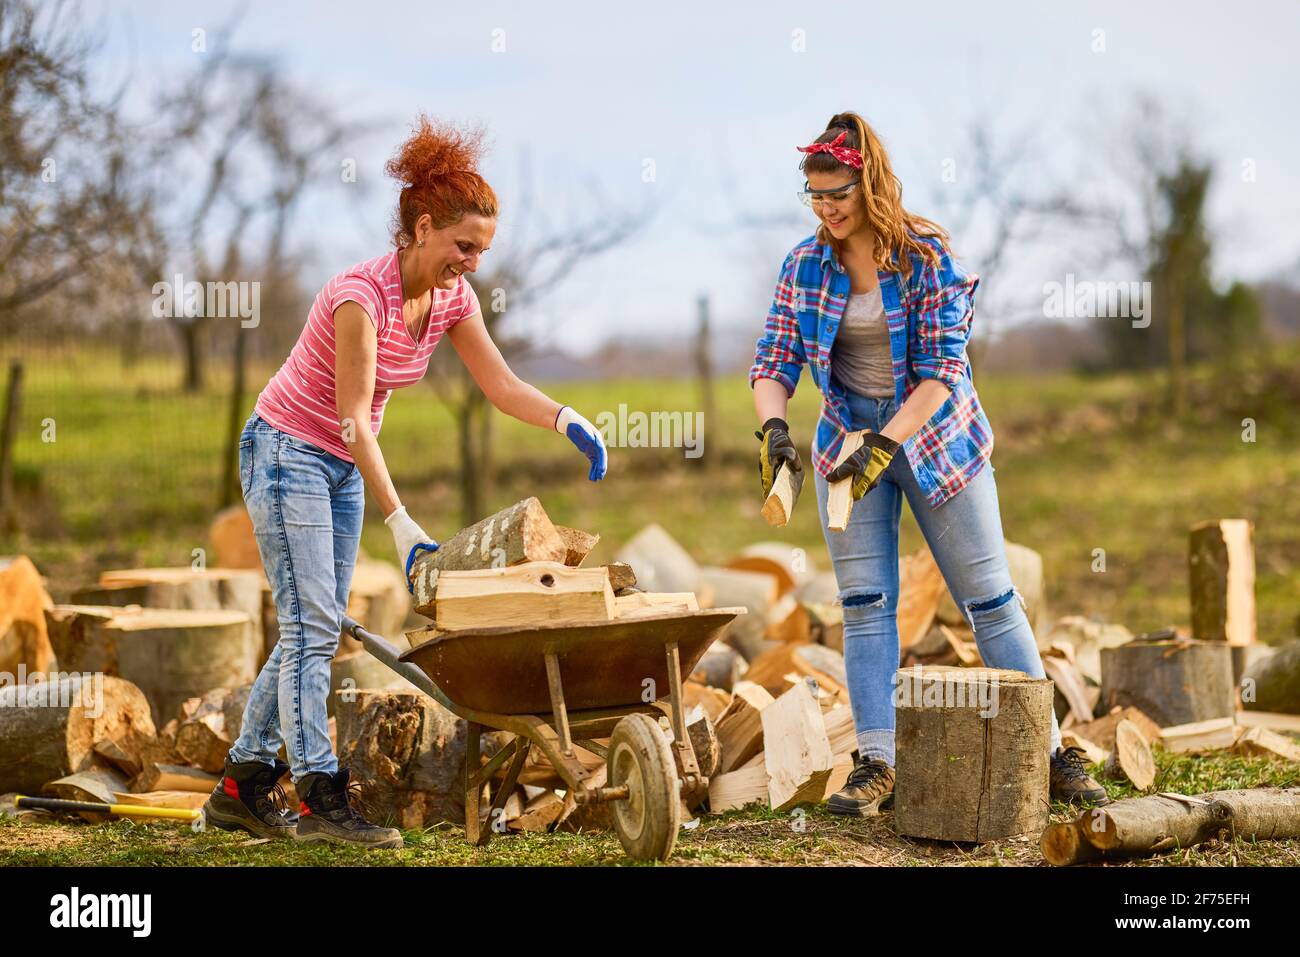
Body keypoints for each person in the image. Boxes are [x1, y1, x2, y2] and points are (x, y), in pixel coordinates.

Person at [202, 116, 608, 847]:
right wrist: (400, 519)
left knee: (310, 621)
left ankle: (240, 782)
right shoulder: (361, 296)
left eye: (482, 250)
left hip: (343, 465)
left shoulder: (451, 298)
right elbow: (354, 417)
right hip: (287, 451)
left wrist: (565, 417)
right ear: (422, 228)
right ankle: (322, 796)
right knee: (313, 624)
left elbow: (500, 383)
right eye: (463, 246)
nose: (472, 263)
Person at [749, 112, 1107, 816]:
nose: (826, 209)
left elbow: (943, 368)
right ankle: (876, 762)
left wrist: (893, 443)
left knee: (990, 599)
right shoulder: (804, 265)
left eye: (837, 195)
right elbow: (773, 359)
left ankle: (1051, 749)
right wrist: (773, 427)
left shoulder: (926, 255)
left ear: (868, 182)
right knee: (863, 606)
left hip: (938, 439)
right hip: (848, 441)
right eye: (814, 197)